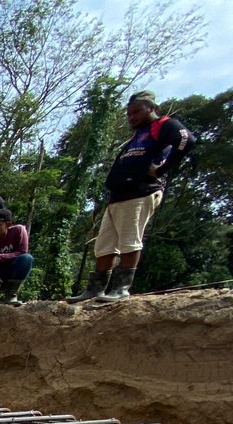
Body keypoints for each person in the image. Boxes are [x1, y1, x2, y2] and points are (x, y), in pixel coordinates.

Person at [69, 90, 194, 303]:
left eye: (136, 112)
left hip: (140, 192)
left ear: (151, 108)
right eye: (129, 113)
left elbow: (186, 140)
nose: (131, 117)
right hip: (118, 196)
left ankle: (121, 289)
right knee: (104, 245)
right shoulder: (140, 134)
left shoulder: (164, 125)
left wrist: (161, 170)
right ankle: (95, 289)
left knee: (129, 240)